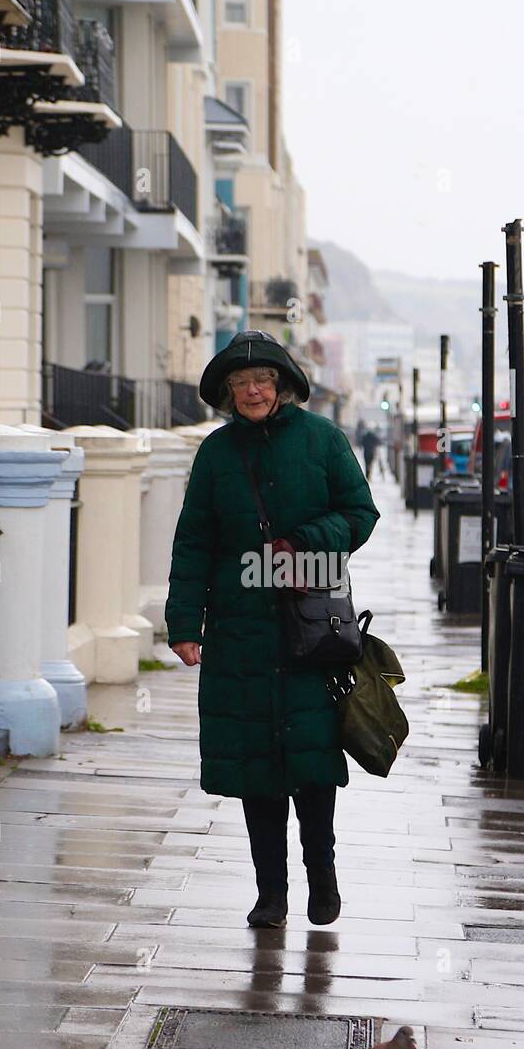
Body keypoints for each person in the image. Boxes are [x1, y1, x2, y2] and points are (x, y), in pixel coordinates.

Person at [165, 330, 380, 928]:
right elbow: (194, 542)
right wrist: (185, 622)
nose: (253, 391)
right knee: (256, 769)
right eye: (240, 384)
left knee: (312, 763)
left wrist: (304, 542)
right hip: (239, 631)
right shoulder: (215, 454)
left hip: (310, 626)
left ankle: (323, 880)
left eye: (262, 381)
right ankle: (271, 896)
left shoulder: (323, 440)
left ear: (283, 387)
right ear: (228, 394)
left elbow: (361, 515)